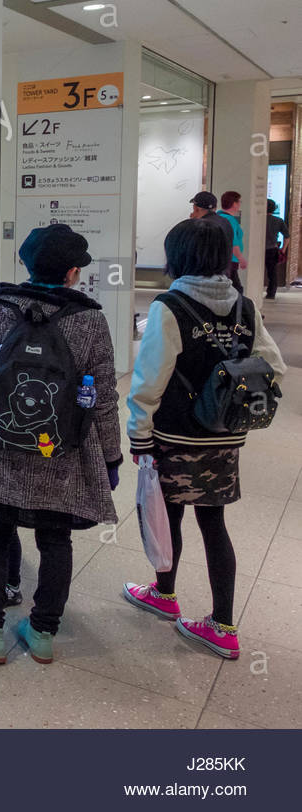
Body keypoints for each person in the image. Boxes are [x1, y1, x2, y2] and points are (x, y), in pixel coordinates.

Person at [0, 223, 120, 666]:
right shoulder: (91, 320)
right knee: (56, 539)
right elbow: (101, 396)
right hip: (60, 450)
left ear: (26, 264)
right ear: (71, 273)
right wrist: (111, 456)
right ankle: (43, 631)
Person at [124, 218, 285, 659]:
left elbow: (148, 380)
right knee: (214, 524)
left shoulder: (169, 306)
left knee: (168, 516)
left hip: (175, 436)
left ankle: (164, 593)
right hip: (225, 437)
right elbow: (275, 366)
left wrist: (138, 436)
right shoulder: (245, 307)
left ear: (178, 257)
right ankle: (222, 624)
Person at [189, 191, 234, 258]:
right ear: (215, 208)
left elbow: (192, 250)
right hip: (224, 266)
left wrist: (190, 224)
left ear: (196, 208)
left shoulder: (199, 225)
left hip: (205, 267)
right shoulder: (225, 222)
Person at [218, 191, 246, 293]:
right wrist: (240, 257)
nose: (239, 205)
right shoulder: (230, 220)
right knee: (236, 289)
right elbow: (233, 241)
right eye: (239, 202)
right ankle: (238, 308)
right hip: (230, 259)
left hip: (222, 259)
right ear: (234, 203)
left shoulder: (219, 216)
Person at [264, 198, 289, 299]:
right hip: (272, 249)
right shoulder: (278, 221)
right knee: (272, 272)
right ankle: (271, 293)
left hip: (258, 249)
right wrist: (283, 249)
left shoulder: (259, 220)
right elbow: (287, 236)